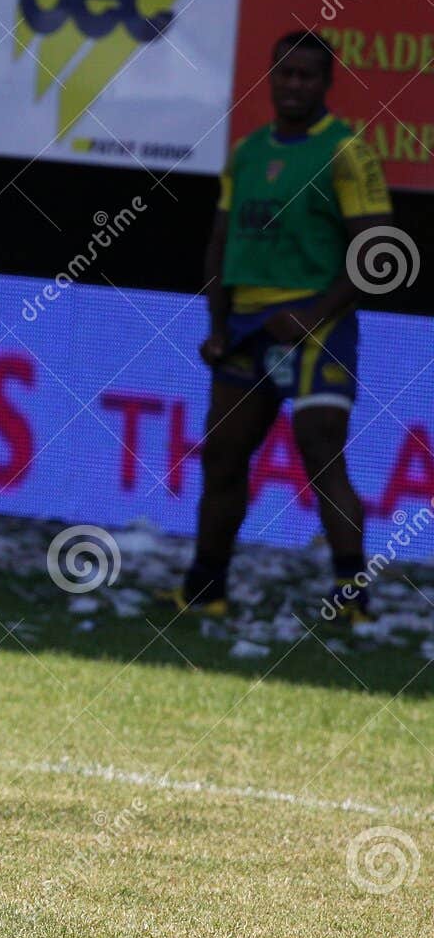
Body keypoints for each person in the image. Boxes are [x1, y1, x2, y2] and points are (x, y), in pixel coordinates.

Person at [166, 30, 393, 626]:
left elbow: (379, 252)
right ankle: (204, 589)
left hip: (320, 327)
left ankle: (353, 599)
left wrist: (315, 313)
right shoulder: (245, 152)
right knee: (221, 458)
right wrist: (217, 323)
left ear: (327, 83)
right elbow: (220, 240)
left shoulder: (348, 151)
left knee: (322, 453)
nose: (294, 85)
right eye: (285, 74)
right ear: (270, 78)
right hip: (246, 328)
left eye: (308, 76)